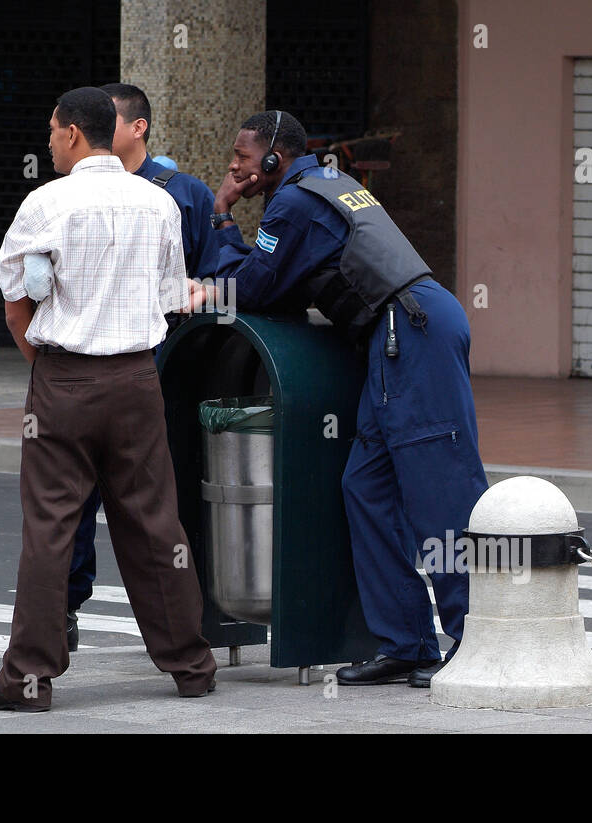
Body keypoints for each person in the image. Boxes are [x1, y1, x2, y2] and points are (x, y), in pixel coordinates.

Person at [204, 109, 488, 689]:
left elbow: (254, 289)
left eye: (243, 154)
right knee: (367, 488)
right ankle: (407, 642)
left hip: (408, 335)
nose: (234, 164)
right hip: (402, 333)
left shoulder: (293, 203)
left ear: (276, 157)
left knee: (440, 493)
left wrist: (220, 217)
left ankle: (474, 638)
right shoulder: (331, 184)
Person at [0, 86, 216, 712]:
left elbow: (14, 295)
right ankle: (191, 664)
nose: (48, 141)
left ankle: (29, 677)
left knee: (51, 525)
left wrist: (43, 361)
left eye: (52, 130)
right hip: (137, 379)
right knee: (156, 522)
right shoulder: (159, 203)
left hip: (63, 379)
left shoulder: (46, 202)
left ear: (74, 134)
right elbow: (169, 295)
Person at [60, 82, 219, 653]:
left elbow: (215, 282)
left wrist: (198, 293)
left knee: (153, 510)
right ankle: (66, 610)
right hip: (81, 371)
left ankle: (184, 631)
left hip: (156, 370)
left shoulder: (181, 195)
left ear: (138, 127)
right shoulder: (66, 197)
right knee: (72, 502)